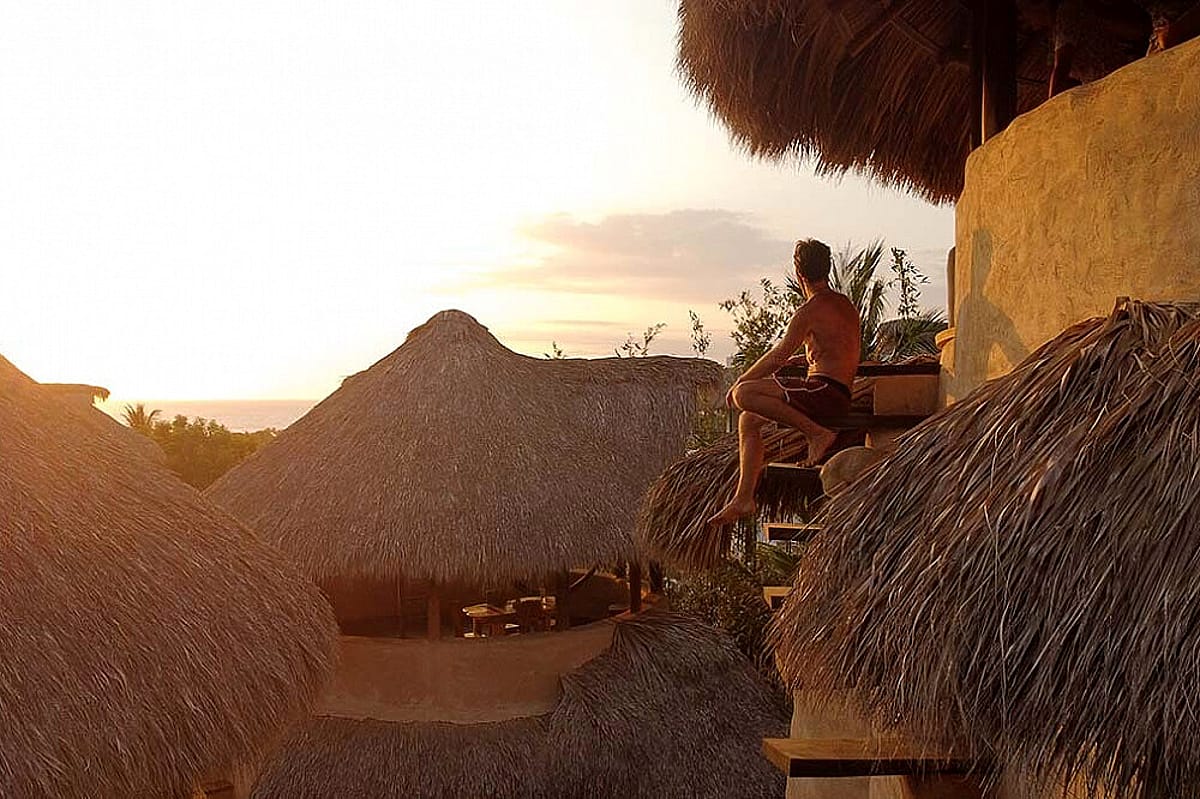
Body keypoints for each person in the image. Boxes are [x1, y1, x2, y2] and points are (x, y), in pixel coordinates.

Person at [706, 239, 861, 528]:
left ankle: (816, 434)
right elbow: (837, 349)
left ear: (798, 273)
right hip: (837, 390)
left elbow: (778, 357)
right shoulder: (845, 305)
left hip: (824, 392)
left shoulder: (810, 311)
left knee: (744, 395)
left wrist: (742, 380)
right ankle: (743, 498)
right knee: (748, 421)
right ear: (827, 268)